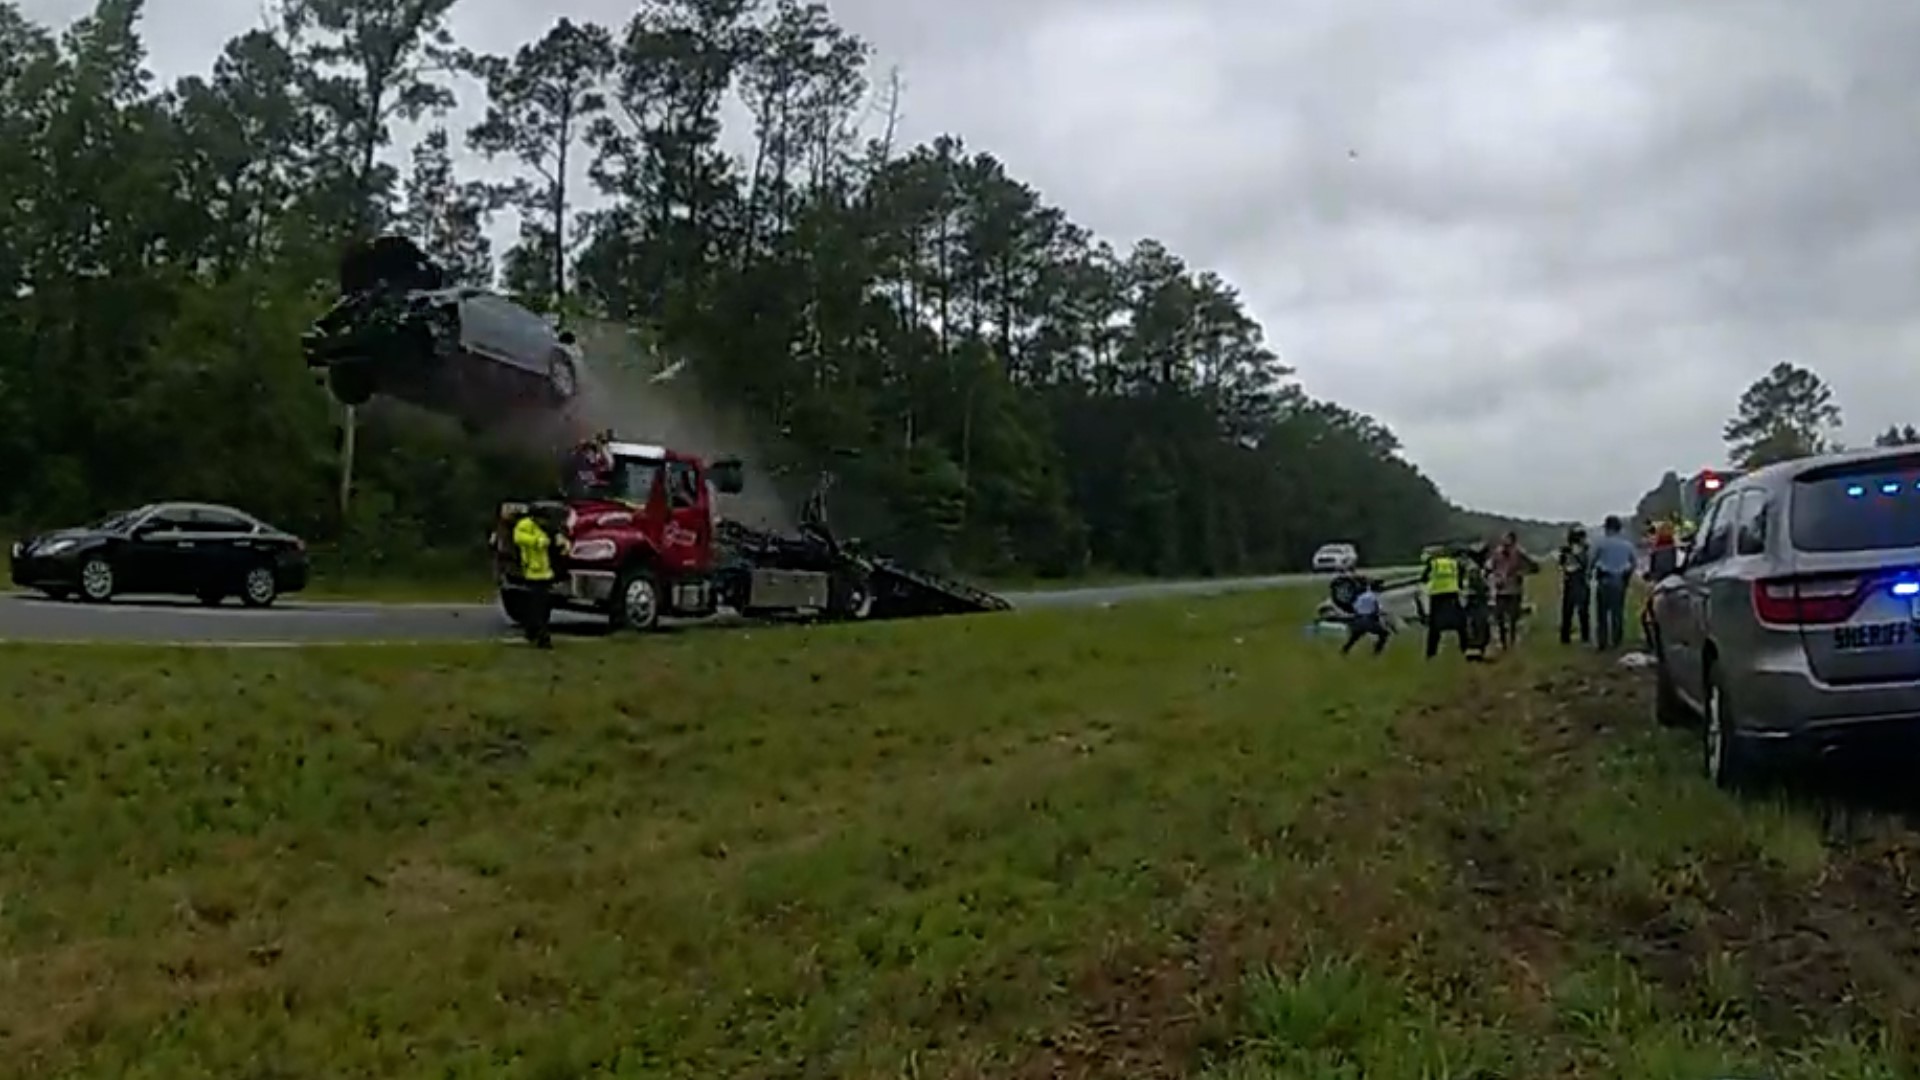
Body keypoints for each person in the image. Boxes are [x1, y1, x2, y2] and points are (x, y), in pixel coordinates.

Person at [511, 507, 569, 648]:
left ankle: (534, 632)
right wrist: (538, 541)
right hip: (532, 570)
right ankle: (541, 635)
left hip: (546, 572)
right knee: (537, 605)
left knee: (543, 606)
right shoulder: (525, 525)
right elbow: (518, 538)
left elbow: (557, 539)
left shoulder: (549, 528)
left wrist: (564, 545)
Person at [1591, 514, 1637, 651]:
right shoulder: (1627, 545)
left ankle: (1602, 642)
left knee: (1602, 614)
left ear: (1607, 528)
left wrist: (1590, 574)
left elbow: (1592, 561)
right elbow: (1634, 563)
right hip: (1620, 581)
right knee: (1617, 612)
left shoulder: (1601, 543)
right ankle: (1616, 641)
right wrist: (1627, 576)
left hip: (1604, 580)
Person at [1488, 531, 1539, 651]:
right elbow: (1491, 567)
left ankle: (1512, 642)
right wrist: (1495, 577)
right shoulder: (1497, 553)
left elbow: (1534, 567)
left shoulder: (1519, 553)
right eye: (1503, 539)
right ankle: (1503, 642)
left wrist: (1521, 573)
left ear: (1513, 541)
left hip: (1514, 590)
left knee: (1513, 618)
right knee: (1499, 617)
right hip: (1500, 590)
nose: (1504, 542)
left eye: (1507, 539)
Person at [1421, 543, 1469, 658]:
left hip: (1437, 595)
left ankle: (1431, 653)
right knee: (1461, 624)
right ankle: (1465, 648)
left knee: (1434, 627)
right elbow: (1462, 574)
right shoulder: (1454, 563)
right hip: (1452, 594)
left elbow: (1423, 578)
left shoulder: (1433, 563)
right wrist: (1460, 586)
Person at [1556, 525, 1593, 645]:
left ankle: (1574, 636)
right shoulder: (1580, 550)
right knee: (1573, 610)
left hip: (1574, 579)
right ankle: (1575, 636)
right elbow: (1562, 564)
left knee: (1573, 610)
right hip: (1576, 580)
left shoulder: (1583, 550)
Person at [1461, 544, 1493, 660]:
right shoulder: (1474, 569)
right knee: (1478, 625)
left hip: (1473, 599)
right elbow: (1478, 585)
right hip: (1476, 600)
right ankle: (1475, 648)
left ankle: (1476, 648)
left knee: (1477, 625)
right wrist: (1485, 586)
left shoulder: (1475, 567)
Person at [1342, 578, 1391, 654]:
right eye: (1380, 586)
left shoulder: (1362, 596)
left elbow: (1355, 607)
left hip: (1358, 619)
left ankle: (1344, 650)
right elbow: (1376, 610)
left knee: (1355, 636)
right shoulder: (1375, 596)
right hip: (1368, 619)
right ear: (1377, 587)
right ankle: (1376, 654)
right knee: (1384, 634)